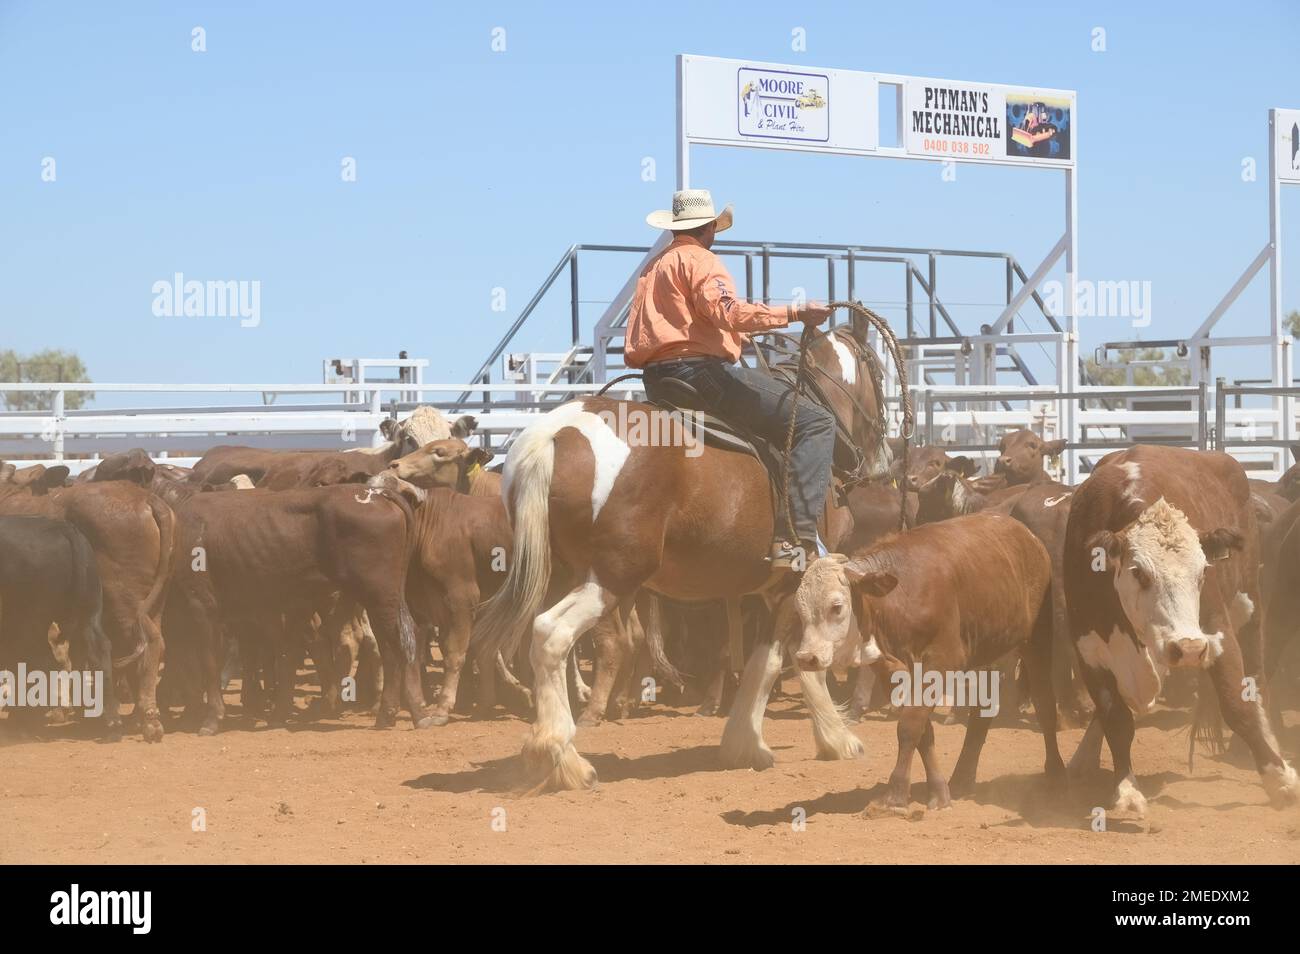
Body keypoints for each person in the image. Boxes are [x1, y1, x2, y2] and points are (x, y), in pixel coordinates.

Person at [625, 188, 834, 571]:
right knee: (817, 422)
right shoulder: (702, 261)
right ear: (710, 228)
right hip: (701, 377)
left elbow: (677, 325)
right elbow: (729, 312)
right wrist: (796, 312)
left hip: (658, 382)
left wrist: (730, 336)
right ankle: (794, 542)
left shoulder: (653, 268)